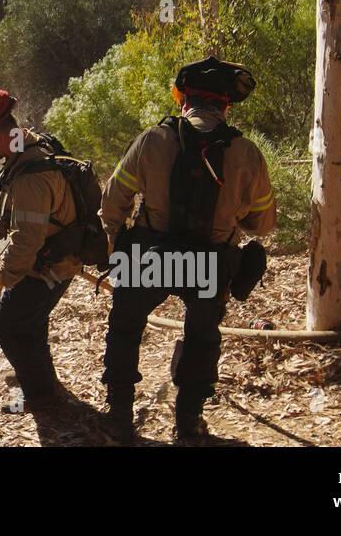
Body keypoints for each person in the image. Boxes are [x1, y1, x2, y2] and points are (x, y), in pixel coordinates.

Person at [98, 56, 276, 443]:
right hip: (210, 263)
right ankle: (189, 421)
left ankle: (119, 415)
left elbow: (113, 202)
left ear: (184, 101)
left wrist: (113, 251)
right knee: (202, 335)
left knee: (126, 326)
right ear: (225, 107)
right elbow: (261, 223)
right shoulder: (247, 153)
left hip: (149, 257)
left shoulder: (152, 140)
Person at [0, 88, 80, 412]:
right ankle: (41, 380)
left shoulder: (31, 175)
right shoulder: (29, 145)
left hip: (48, 265)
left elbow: (27, 240)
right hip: (52, 260)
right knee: (30, 321)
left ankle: (40, 396)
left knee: (7, 324)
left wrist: (1, 280)